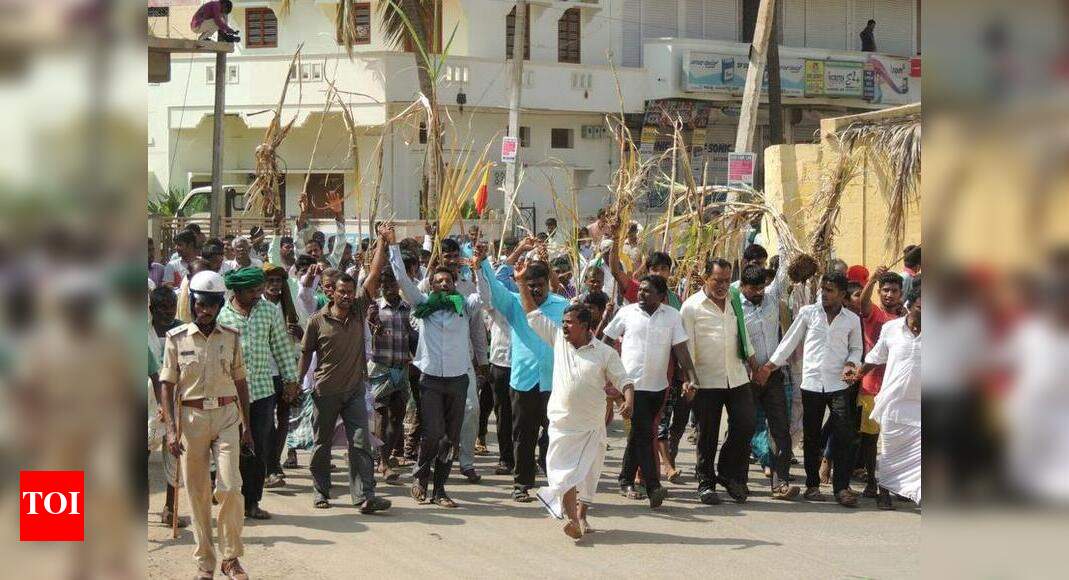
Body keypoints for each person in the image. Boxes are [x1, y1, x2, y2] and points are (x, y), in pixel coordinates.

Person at [159, 270, 251, 580]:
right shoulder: (176, 338)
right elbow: (167, 385)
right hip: (191, 420)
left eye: (212, 304)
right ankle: (205, 562)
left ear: (219, 303)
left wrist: (247, 426)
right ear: (192, 303)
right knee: (198, 494)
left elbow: (241, 382)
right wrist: (171, 428)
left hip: (226, 417)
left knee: (230, 487)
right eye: (200, 303)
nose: (205, 310)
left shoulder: (231, 337)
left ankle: (231, 557)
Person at [299, 224, 393, 513]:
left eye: (350, 291)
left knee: (361, 443)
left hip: (354, 391)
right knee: (322, 445)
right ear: (331, 293)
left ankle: (365, 495)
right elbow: (305, 354)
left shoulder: (358, 310)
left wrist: (381, 241)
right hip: (325, 392)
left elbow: (374, 274)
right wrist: (297, 383)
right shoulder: (317, 320)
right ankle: (320, 491)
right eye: (341, 291)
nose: (347, 296)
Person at [524, 295, 634, 539]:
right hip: (561, 425)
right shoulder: (558, 341)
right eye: (563, 321)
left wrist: (629, 400)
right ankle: (573, 520)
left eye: (569, 322)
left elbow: (624, 380)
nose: (563, 326)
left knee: (588, 475)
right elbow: (533, 315)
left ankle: (581, 514)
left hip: (591, 427)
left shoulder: (604, 353)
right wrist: (521, 282)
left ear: (585, 326)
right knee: (563, 475)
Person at [389, 232, 485, 508]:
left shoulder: (465, 307)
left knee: (450, 438)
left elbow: (485, 296)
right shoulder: (423, 306)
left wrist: (481, 267)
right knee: (433, 433)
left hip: (458, 380)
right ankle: (421, 476)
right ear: (431, 286)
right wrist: (393, 244)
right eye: (438, 281)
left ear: (455, 284)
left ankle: (440, 490)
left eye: (448, 280)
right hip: (430, 379)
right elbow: (403, 281)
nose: (444, 283)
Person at [755, 271, 864, 507]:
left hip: (839, 384)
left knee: (843, 434)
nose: (824, 294)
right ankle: (812, 485)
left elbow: (856, 349)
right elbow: (790, 341)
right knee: (812, 436)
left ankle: (842, 487)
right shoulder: (809, 313)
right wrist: (770, 366)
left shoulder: (851, 320)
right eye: (822, 289)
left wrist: (851, 364)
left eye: (830, 290)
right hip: (812, 383)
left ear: (842, 294)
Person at [476, 247, 570, 503]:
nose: (536, 290)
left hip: (555, 382)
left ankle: (556, 484)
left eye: (540, 285)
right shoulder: (515, 303)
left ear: (548, 285)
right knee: (523, 435)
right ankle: (522, 484)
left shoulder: (563, 306)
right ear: (524, 285)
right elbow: (494, 290)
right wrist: (484, 262)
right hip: (524, 381)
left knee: (555, 436)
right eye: (531, 286)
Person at [603, 275, 696, 509]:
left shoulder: (672, 316)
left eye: (647, 291)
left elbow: (681, 350)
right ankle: (653, 486)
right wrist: (604, 374)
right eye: (640, 290)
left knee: (638, 434)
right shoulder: (627, 312)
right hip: (630, 387)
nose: (640, 294)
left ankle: (625, 479)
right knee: (644, 434)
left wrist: (692, 377)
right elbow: (606, 341)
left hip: (658, 387)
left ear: (662, 296)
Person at [216, 267, 300, 520]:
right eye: (252, 291)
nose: (257, 294)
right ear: (237, 291)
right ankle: (231, 498)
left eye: (258, 290)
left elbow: (282, 347)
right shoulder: (223, 316)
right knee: (231, 446)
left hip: (263, 391)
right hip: (230, 393)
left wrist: (290, 380)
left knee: (259, 447)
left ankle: (253, 501)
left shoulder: (269, 311)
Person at [680, 259, 761, 505]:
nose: (723, 285)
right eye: (718, 280)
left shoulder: (735, 300)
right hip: (705, 380)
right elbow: (686, 348)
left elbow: (743, 337)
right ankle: (706, 483)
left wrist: (756, 366)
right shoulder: (691, 307)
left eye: (727, 280)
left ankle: (725, 472)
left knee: (746, 424)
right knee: (707, 434)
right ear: (706, 277)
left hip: (736, 376)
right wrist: (689, 380)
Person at [737, 262, 800, 500]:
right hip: (746, 377)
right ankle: (739, 481)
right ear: (742, 286)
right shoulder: (734, 307)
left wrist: (767, 368)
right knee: (744, 429)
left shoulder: (772, 300)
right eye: (753, 289)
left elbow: (784, 271)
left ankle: (780, 482)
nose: (758, 293)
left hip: (773, 375)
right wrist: (754, 368)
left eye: (761, 288)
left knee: (780, 430)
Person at [859, 284, 921, 508]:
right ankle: (884, 491)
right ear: (910, 305)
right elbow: (876, 356)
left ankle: (916, 493)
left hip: (921, 403)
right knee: (888, 451)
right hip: (894, 401)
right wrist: (858, 373)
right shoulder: (891, 329)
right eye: (919, 308)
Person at [855, 267, 906, 497]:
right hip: (871, 385)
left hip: (898, 387)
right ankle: (871, 481)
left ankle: (896, 484)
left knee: (895, 438)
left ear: (901, 293)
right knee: (870, 438)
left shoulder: (908, 319)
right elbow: (862, 302)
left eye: (893, 290)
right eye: (885, 290)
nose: (889, 294)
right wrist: (873, 279)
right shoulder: (873, 313)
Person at [366, 271, 413, 484]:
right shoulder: (373, 308)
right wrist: (371, 323)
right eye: (385, 284)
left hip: (401, 370)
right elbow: (366, 337)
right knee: (380, 416)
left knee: (397, 417)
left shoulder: (408, 309)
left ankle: (385, 455)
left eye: (393, 283)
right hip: (379, 369)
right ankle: (383, 461)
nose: (389, 287)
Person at [260, 264, 305, 488]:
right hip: (264, 371)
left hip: (286, 370)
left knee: (284, 419)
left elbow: (305, 337)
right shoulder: (259, 306)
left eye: (279, 281)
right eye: (271, 281)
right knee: (267, 420)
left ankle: (274, 464)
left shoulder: (291, 305)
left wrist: (299, 334)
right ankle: (270, 466)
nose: (275, 285)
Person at [149, 287, 186, 528]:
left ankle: (170, 509)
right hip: (149, 399)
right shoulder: (143, 332)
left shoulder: (183, 331)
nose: (167, 312)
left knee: (174, 452)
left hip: (176, 397)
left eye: (171, 307)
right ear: (152, 309)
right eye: (161, 307)